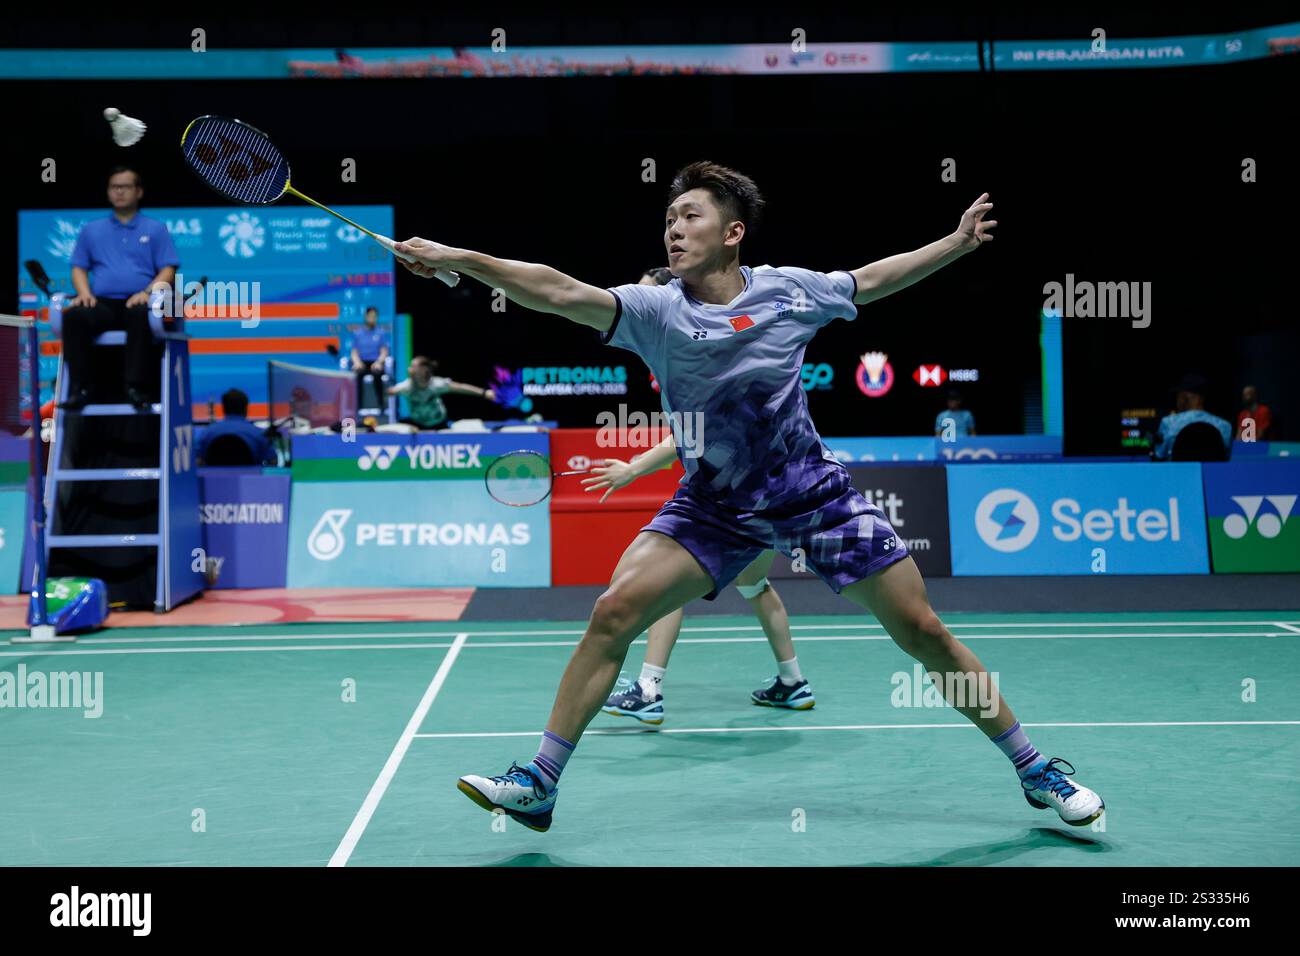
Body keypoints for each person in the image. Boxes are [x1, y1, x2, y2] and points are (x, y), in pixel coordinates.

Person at [395, 160, 1103, 833]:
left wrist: (953, 244)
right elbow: (556, 289)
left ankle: (1037, 770)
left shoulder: (789, 291)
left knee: (922, 631)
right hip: (715, 506)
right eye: (668, 217)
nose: (673, 229)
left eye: (690, 216)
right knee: (614, 610)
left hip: (811, 494)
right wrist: (460, 259)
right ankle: (542, 781)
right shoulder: (654, 310)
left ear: (732, 232)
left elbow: (872, 280)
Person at [588, 431, 814, 725]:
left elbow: (686, 436)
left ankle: (648, 690)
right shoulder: (769, 398)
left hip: (732, 508)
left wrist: (632, 470)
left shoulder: (714, 393)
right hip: (775, 503)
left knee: (663, 583)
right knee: (754, 585)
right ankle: (792, 680)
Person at [60, 166, 180, 411]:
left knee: (140, 315)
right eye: (114, 187)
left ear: (139, 191)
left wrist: (147, 293)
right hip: (102, 303)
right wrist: (84, 293)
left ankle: (136, 389)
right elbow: (78, 267)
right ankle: (81, 389)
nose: (119, 192)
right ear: (108, 192)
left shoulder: (155, 229)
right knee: (74, 316)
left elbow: (168, 269)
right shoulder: (91, 230)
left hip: (140, 301)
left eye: (125, 187)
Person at [386, 356, 494, 429]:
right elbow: (390, 391)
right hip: (417, 425)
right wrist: (386, 391)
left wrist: (484, 393)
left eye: (413, 366)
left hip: (440, 423)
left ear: (424, 370)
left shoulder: (437, 384)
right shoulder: (406, 386)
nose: (409, 369)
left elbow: (461, 387)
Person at [1153, 373, 1231, 460]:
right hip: (1214, 473)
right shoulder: (1225, 426)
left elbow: (1159, 454)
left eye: (1178, 396)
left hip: (1177, 472)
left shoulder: (1168, 423)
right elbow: (1226, 458)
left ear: (1184, 398)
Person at [195, 388, 276, 465]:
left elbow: (197, 460)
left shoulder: (207, 433)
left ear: (224, 408)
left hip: (212, 479)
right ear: (246, 408)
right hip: (250, 479)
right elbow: (273, 461)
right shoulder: (259, 434)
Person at [350, 306, 391, 412]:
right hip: (362, 363)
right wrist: (357, 362)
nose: (372, 318)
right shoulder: (358, 333)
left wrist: (378, 362)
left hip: (375, 362)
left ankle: (381, 405)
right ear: (366, 317)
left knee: (377, 373)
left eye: (374, 316)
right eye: (370, 316)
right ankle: (357, 406)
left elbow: (384, 351)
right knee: (357, 375)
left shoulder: (380, 333)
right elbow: (354, 352)